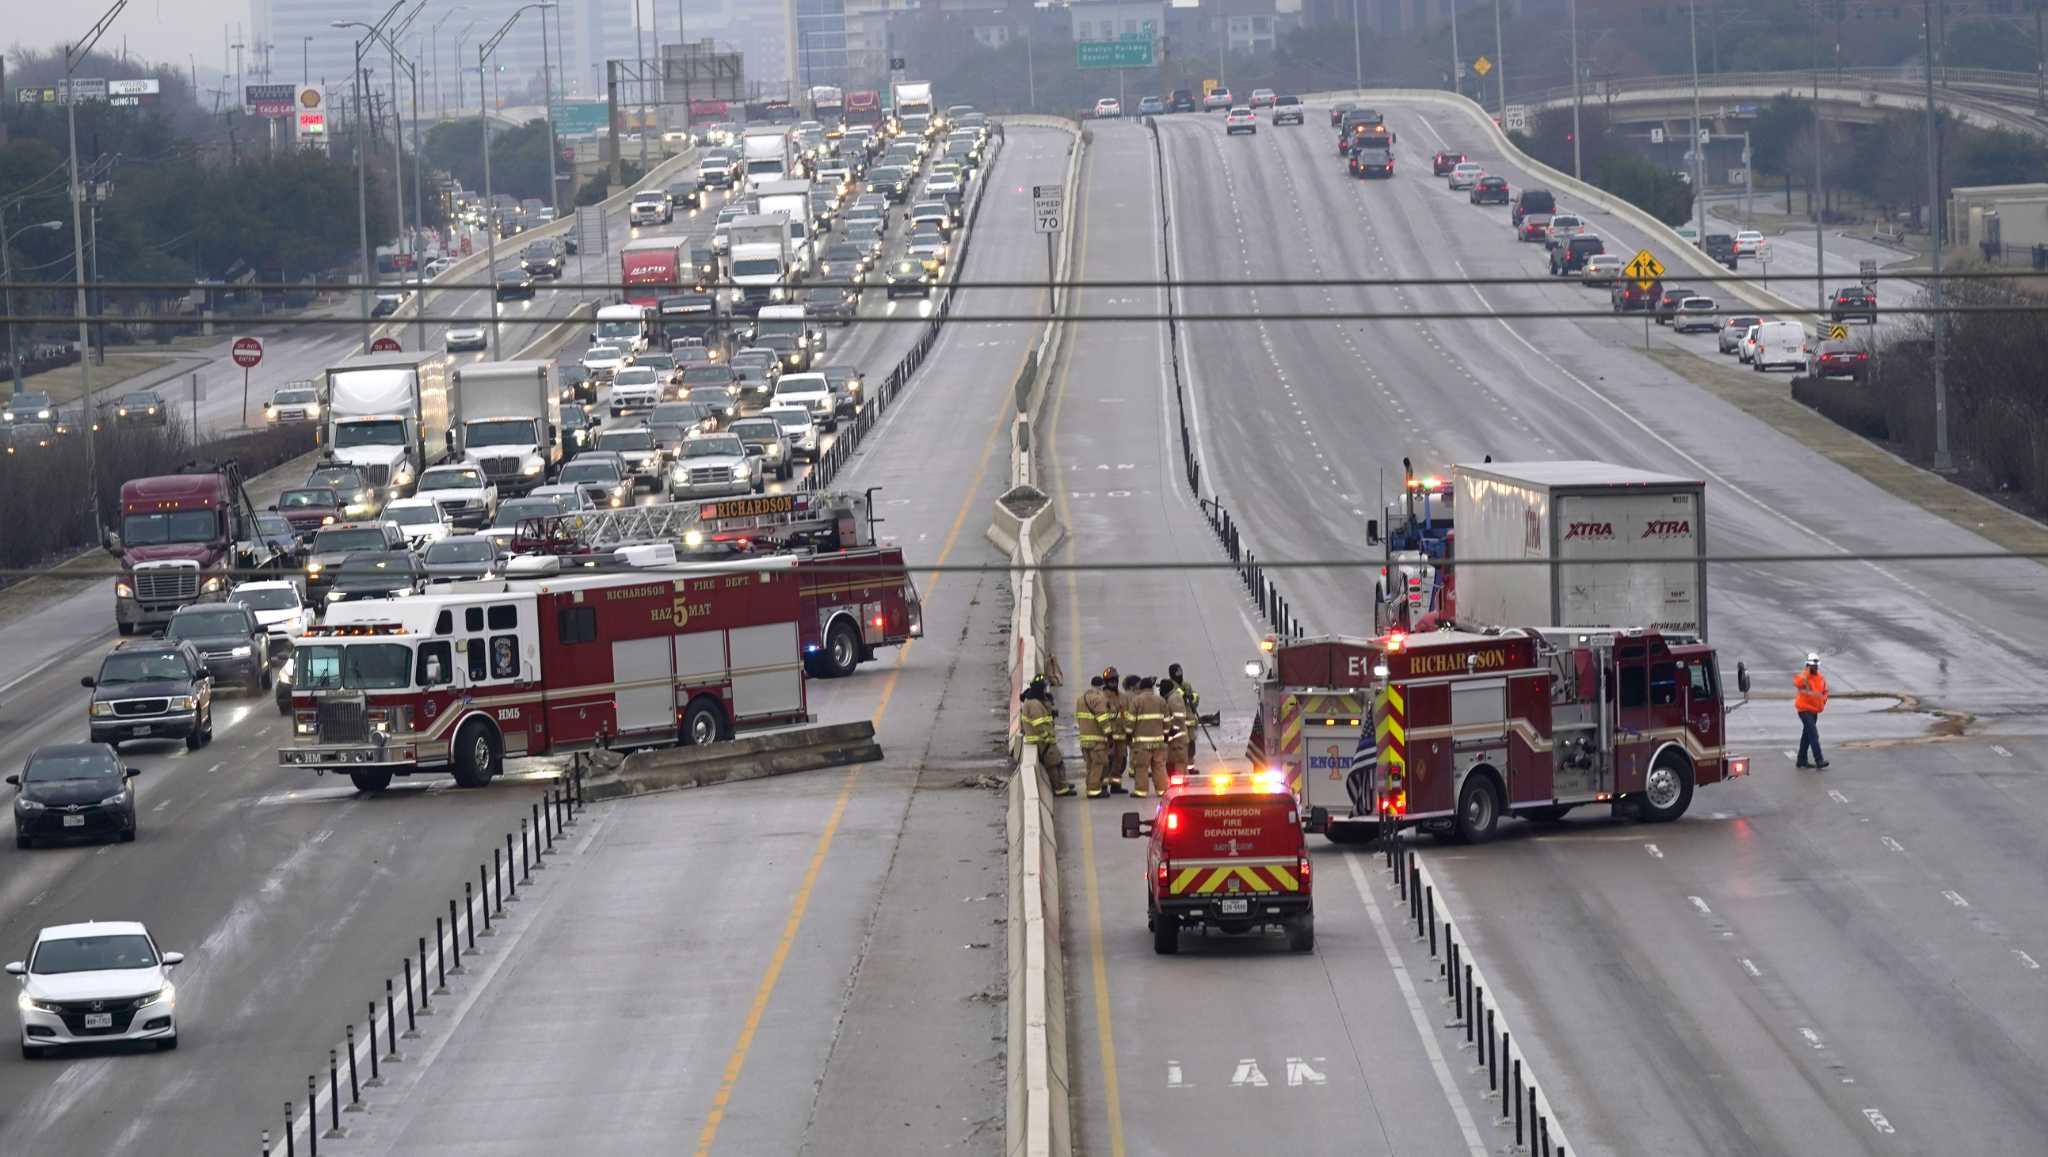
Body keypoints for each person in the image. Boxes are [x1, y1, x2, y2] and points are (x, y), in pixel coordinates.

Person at [1019, 676, 1074, 795]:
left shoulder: (1036, 701)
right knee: (1053, 764)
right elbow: (1039, 725)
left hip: (1045, 740)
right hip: (1042, 741)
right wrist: (1047, 738)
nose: (1045, 691)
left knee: (1059, 762)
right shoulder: (1034, 704)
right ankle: (1060, 789)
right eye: (1043, 688)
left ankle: (1063, 784)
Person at [1128, 676, 1169, 798]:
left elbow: (1130, 721)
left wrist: (1128, 733)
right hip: (1158, 742)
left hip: (1142, 743)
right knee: (1158, 767)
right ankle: (1162, 790)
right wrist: (1165, 734)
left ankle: (1141, 791)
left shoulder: (1136, 701)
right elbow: (1166, 721)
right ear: (1151, 688)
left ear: (1141, 688)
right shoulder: (1161, 700)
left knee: (1141, 767)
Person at [1076, 675, 1115, 798]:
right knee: (1098, 764)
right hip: (1097, 740)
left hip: (1084, 739)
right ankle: (1094, 791)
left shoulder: (1081, 699)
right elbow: (1103, 719)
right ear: (1101, 687)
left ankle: (1091, 787)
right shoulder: (1099, 699)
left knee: (1090, 765)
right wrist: (1109, 734)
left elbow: (1079, 718)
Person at [1794, 652, 1829, 770]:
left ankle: (1801, 760)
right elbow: (1797, 683)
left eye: (1816, 665)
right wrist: (1807, 672)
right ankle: (1819, 760)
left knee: (1807, 736)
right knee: (1813, 734)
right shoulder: (1804, 676)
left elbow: (1825, 691)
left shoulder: (1820, 678)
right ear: (1808, 665)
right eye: (1813, 666)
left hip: (1814, 711)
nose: (1815, 667)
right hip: (1804, 709)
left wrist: (1823, 701)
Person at [1101, 667, 1128, 794]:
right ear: (1106, 682)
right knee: (1106, 762)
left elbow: (1127, 715)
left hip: (1121, 736)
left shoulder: (1123, 697)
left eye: (1115, 680)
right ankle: (1103, 786)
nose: (1114, 683)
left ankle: (1116, 785)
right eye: (1111, 681)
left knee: (1120, 761)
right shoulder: (1102, 697)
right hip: (1109, 736)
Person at [1161, 674, 1193, 780]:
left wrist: (1172, 731)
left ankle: (1182, 785)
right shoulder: (1170, 698)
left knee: (1179, 764)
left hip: (1178, 739)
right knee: (1171, 763)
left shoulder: (1174, 698)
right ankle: (1175, 783)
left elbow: (1179, 717)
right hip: (1174, 740)